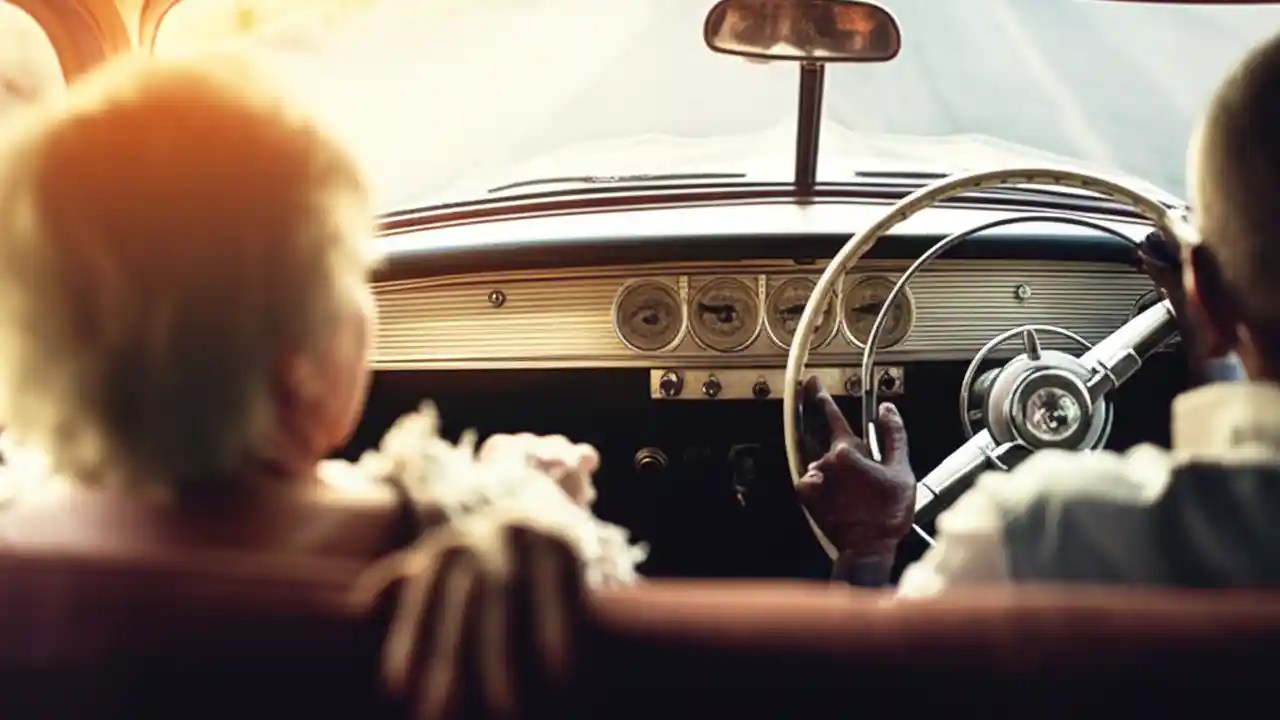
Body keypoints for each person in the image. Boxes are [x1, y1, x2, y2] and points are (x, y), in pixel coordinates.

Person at [0, 52, 640, 585]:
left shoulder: (18, 545)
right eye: (353, 272)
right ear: (297, 359)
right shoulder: (486, 565)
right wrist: (547, 509)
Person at [797, 32, 1280, 592]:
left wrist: (869, 544)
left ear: (1208, 298)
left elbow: (874, 678)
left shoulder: (1044, 532)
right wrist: (1199, 328)